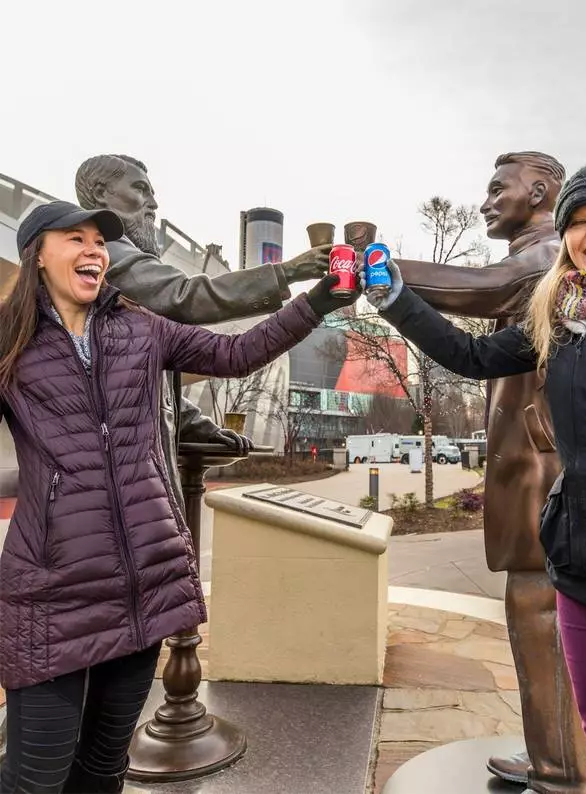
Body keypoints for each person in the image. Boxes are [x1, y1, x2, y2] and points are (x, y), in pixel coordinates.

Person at [363, 164, 586, 794]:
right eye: (580, 222)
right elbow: (475, 357)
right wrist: (394, 300)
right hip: (580, 556)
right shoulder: (564, 310)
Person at [0, 201, 356, 793]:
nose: (94, 250)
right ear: (37, 253)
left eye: (99, 242)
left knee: (104, 769)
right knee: (34, 778)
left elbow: (236, 354)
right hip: (50, 591)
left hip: (145, 582)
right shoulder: (10, 341)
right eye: (75, 239)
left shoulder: (141, 328)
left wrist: (316, 302)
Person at [397, 152, 586, 793]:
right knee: (535, 611)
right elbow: (473, 353)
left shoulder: (546, 257)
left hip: (545, 467)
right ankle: (554, 757)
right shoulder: (546, 262)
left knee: (542, 610)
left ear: (539, 191)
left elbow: (481, 286)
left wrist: (382, 271)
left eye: (495, 189)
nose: (485, 202)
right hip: (534, 461)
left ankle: (564, 769)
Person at [75, 153, 332, 508]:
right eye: (140, 189)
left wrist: (193, 422)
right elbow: (185, 296)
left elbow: (129, 380)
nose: (153, 202)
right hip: (114, 493)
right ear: (101, 193)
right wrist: (287, 272)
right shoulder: (105, 252)